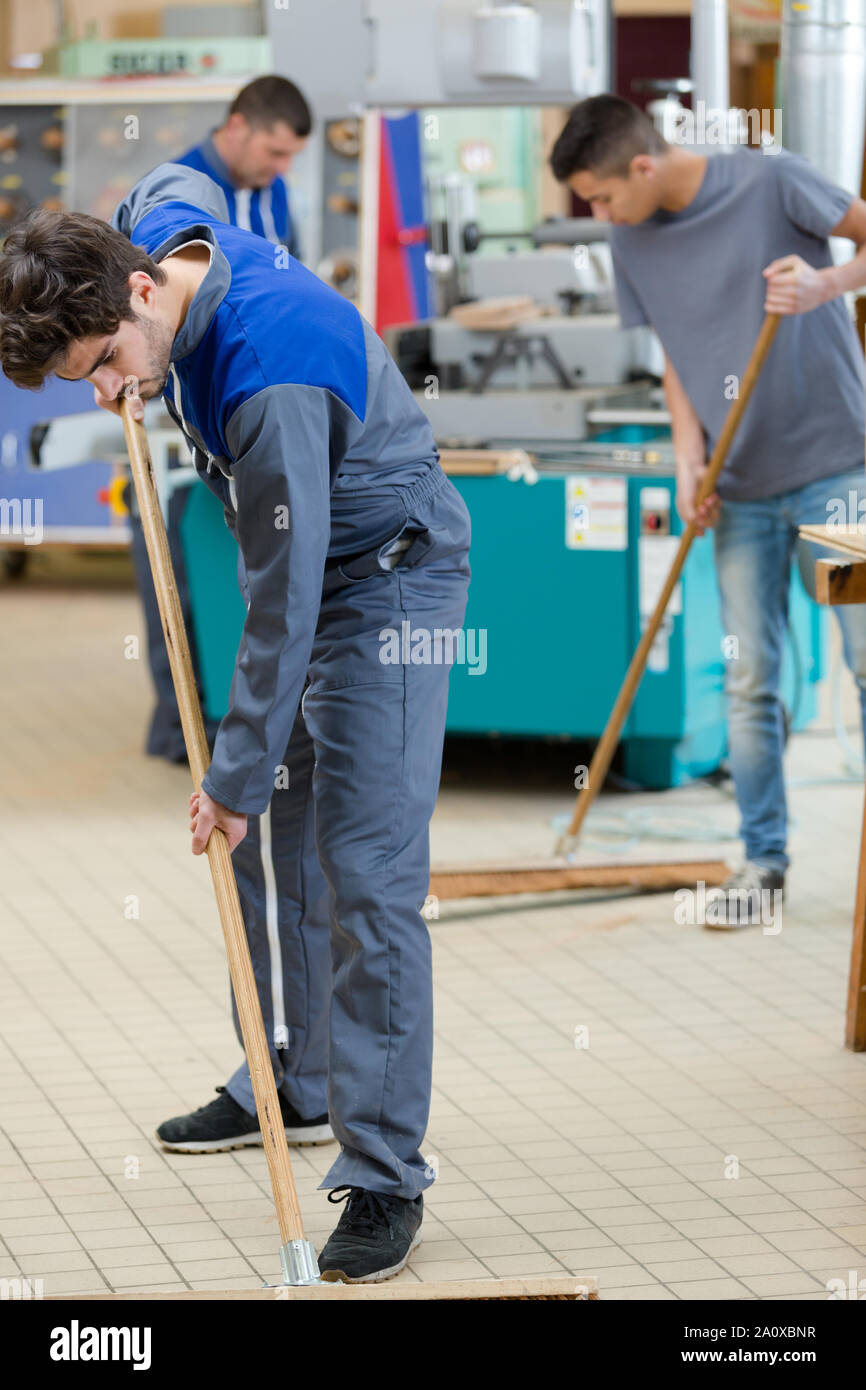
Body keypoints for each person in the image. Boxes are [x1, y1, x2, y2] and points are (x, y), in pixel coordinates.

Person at [0, 163, 471, 1282]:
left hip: (387, 580)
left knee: (363, 869)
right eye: (86, 381)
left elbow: (287, 596)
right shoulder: (157, 237)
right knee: (274, 857)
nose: (111, 389)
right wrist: (251, 777)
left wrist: (236, 772)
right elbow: (169, 177)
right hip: (312, 566)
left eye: (106, 363)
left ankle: (383, 1175)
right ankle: (291, 1079)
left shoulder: (269, 372)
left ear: (140, 299)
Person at [550, 95, 866, 925]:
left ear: (643, 167)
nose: (600, 213)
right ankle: (763, 864)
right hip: (740, 485)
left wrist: (827, 281)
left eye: (603, 195)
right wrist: (688, 461)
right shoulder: (631, 240)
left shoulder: (773, 182)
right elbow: (677, 355)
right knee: (749, 678)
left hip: (840, 464)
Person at [131, 75, 314, 765]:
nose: (280, 167)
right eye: (273, 150)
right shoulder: (181, 194)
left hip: (248, 404)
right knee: (169, 561)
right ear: (237, 126)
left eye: (290, 157)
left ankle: (243, 722)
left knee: (258, 566)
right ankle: (178, 725)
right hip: (185, 400)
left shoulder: (275, 191)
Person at [175, 73, 311, 258]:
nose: (284, 168)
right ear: (236, 128)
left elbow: (295, 268)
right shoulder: (176, 191)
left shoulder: (274, 186)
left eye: (291, 155)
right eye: (276, 153)